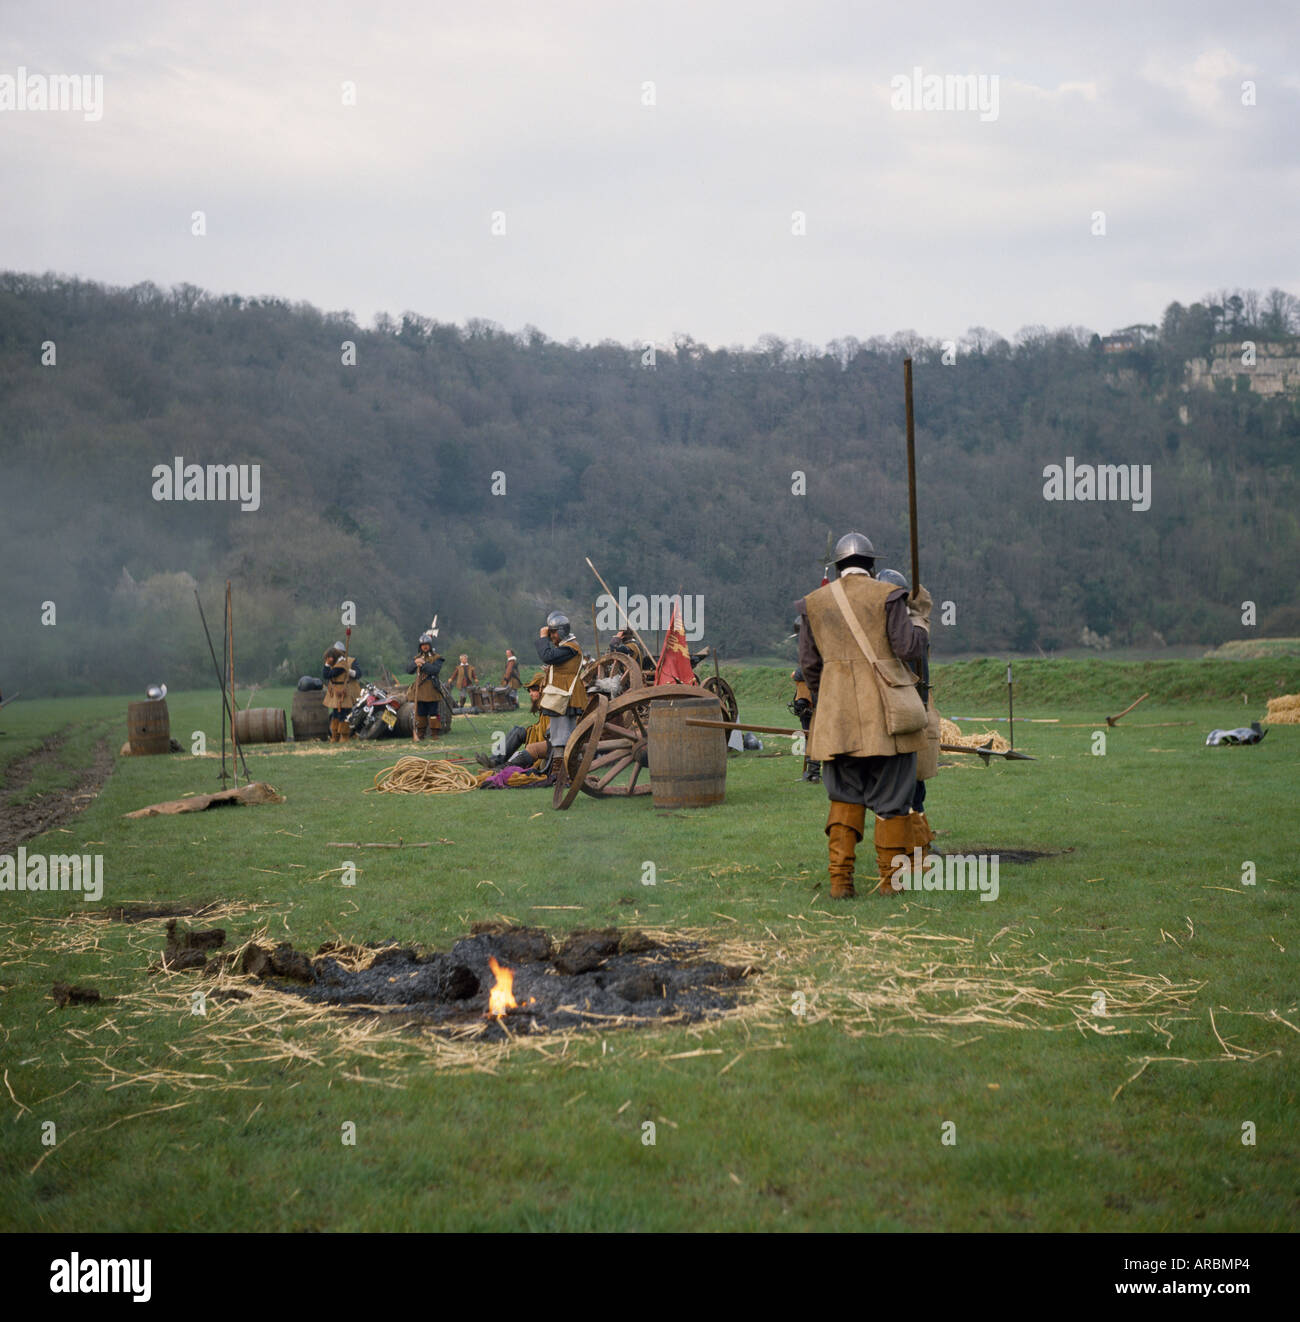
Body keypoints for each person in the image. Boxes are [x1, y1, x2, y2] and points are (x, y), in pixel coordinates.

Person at [796, 533, 932, 899]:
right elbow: (909, 649)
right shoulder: (888, 596)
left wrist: (829, 702)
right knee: (892, 801)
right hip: (887, 720)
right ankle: (891, 883)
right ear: (872, 565)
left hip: (837, 720)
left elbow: (809, 665)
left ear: (836, 567)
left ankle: (840, 883)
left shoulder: (813, 603)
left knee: (844, 798)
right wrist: (919, 618)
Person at [878, 568, 941, 858]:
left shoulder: (914, 630)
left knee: (914, 786)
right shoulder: (878, 629)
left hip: (914, 712)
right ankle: (903, 849)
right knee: (897, 789)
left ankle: (918, 845)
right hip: (889, 717)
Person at [534, 610, 587, 789]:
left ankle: (566, 774)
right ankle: (561, 773)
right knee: (560, 735)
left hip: (566, 697)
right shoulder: (566, 646)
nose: (551, 636)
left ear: (560, 632)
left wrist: (542, 638)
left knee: (564, 736)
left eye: (553, 633)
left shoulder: (570, 648)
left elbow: (547, 656)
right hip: (561, 696)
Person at [477, 673, 554, 780]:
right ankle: (494, 761)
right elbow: (540, 728)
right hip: (538, 736)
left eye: (534, 690)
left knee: (520, 731)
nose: (531, 694)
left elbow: (547, 734)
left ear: (542, 690)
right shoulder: (543, 706)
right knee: (517, 730)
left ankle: (499, 767)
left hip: (546, 743)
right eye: (529, 691)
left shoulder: (549, 705)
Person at [405, 632, 445, 743]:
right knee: (421, 713)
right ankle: (421, 733)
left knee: (433, 712)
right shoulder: (417, 658)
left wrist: (423, 664)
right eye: (423, 645)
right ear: (420, 647)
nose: (425, 647)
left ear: (430, 645)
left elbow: (435, 670)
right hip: (420, 689)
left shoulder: (437, 658)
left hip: (432, 688)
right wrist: (415, 663)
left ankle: (434, 734)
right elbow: (408, 670)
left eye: (427, 644)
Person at [789, 647, 820, 782]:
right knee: (810, 739)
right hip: (808, 707)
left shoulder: (807, 666)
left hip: (811, 707)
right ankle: (812, 773)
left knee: (812, 739)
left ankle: (813, 773)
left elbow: (798, 674)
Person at [322, 642, 362, 743]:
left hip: (346, 690)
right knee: (336, 714)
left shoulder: (345, 663)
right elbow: (326, 675)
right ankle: (335, 736)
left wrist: (350, 672)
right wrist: (327, 664)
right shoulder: (334, 662)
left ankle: (345, 735)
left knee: (344, 714)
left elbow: (358, 673)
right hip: (335, 691)